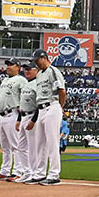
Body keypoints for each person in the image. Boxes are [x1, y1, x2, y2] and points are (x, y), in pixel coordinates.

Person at [25, 49, 67, 186]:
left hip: (52, 105)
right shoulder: (39, 74)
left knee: (52, 142)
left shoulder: (53, 71)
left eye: (37, 59)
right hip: (41, 108)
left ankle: (54, 174)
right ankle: (39, 174)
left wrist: (60, 106)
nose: (36, 62)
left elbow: (61, 90)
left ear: (44, 58)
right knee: (39, 143)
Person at [0, 59, 28, 180]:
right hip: (2, 116)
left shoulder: (21, 80)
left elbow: (24, 98)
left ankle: (18, 171)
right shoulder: (5, 80)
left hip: (13, 114)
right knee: (5, 147)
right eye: (7, 65)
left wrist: (20, 117)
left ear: (18, 67)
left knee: (16, 145)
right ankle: (5, 170)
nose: (8, 67)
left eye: (11, 65)